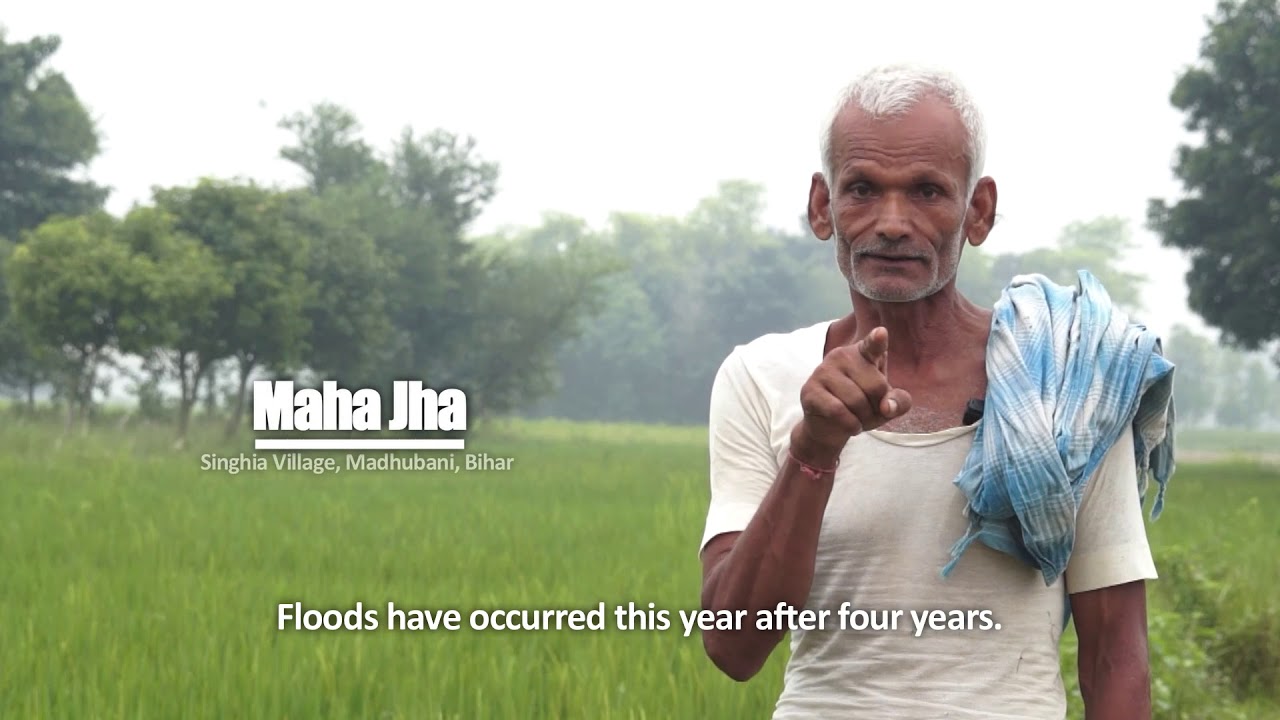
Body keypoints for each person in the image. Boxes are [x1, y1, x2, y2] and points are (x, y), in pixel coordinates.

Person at [697, 64, 1175, 719]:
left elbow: (1115, 652)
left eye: (927, 191)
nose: (893, 222)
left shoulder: (1063, 377)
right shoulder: (762, 377)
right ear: (821, 205)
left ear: (978, 211)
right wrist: (814, 451)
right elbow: (734, 646)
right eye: (862, 188)